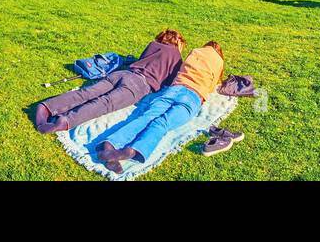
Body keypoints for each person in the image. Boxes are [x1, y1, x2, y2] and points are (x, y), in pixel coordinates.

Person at [95, 41, 233, 171]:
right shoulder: (219, 61)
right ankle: (130, 152)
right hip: (193, 97)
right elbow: (212, 85)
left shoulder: (196, 51)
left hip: (174, 89)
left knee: (146, 117)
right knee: (162, 123)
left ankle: (110, 144)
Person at [34, 29, 186, 133]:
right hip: (140, 85)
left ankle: (46, 107)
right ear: (178, 43)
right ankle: (66, 121)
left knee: (87, 92)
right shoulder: (177, 58)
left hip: (123, 73)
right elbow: (171, 82)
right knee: (104, 104)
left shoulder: (153, 45)